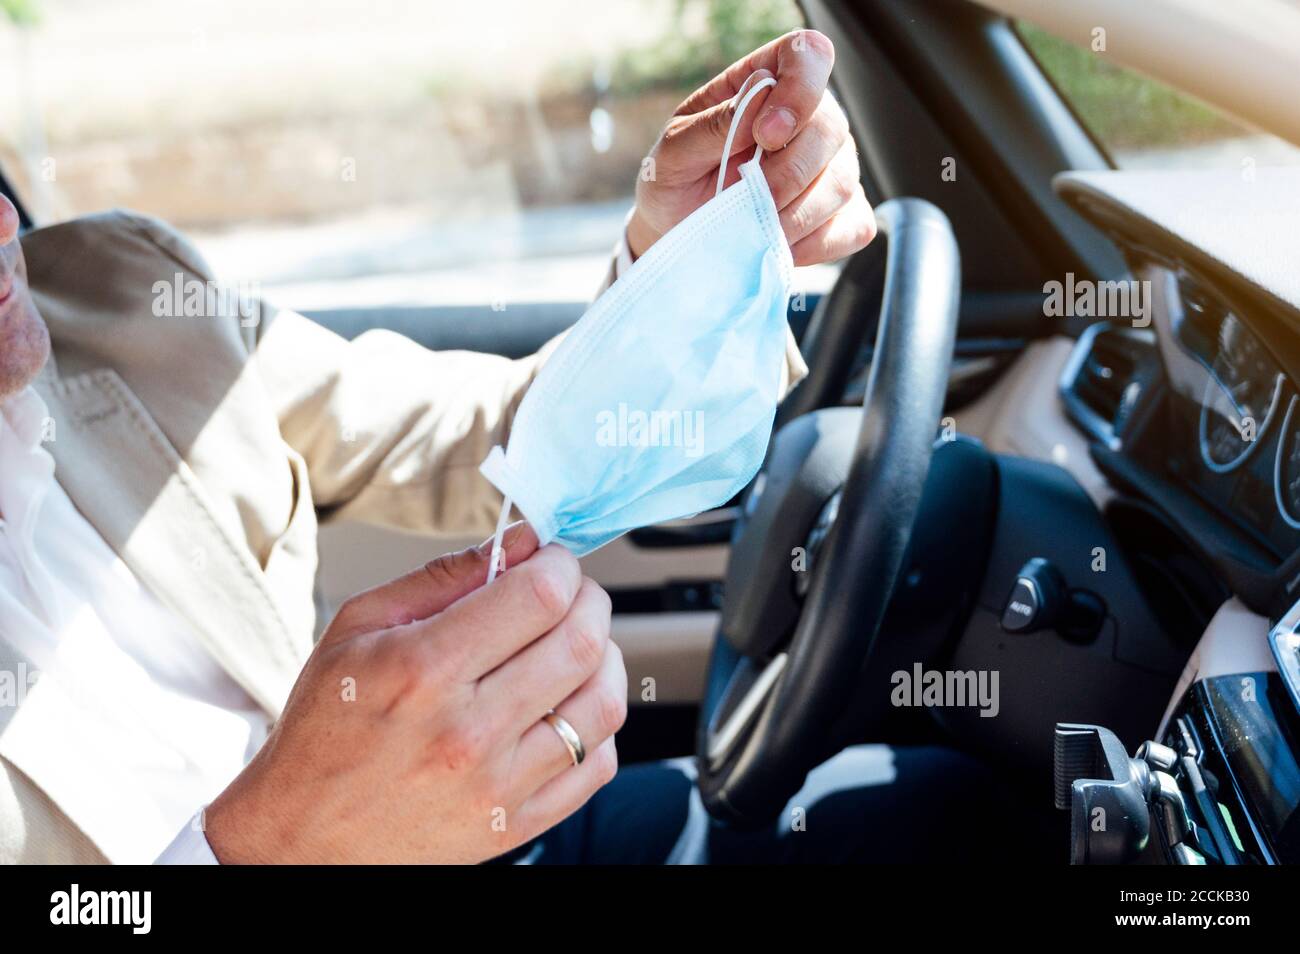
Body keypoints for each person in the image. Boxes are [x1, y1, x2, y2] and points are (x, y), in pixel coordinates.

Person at [0, 29, 995, 865]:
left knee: (953, 814)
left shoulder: (114, 292)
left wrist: (680, 277)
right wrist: (261, 849)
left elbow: (476, 437)